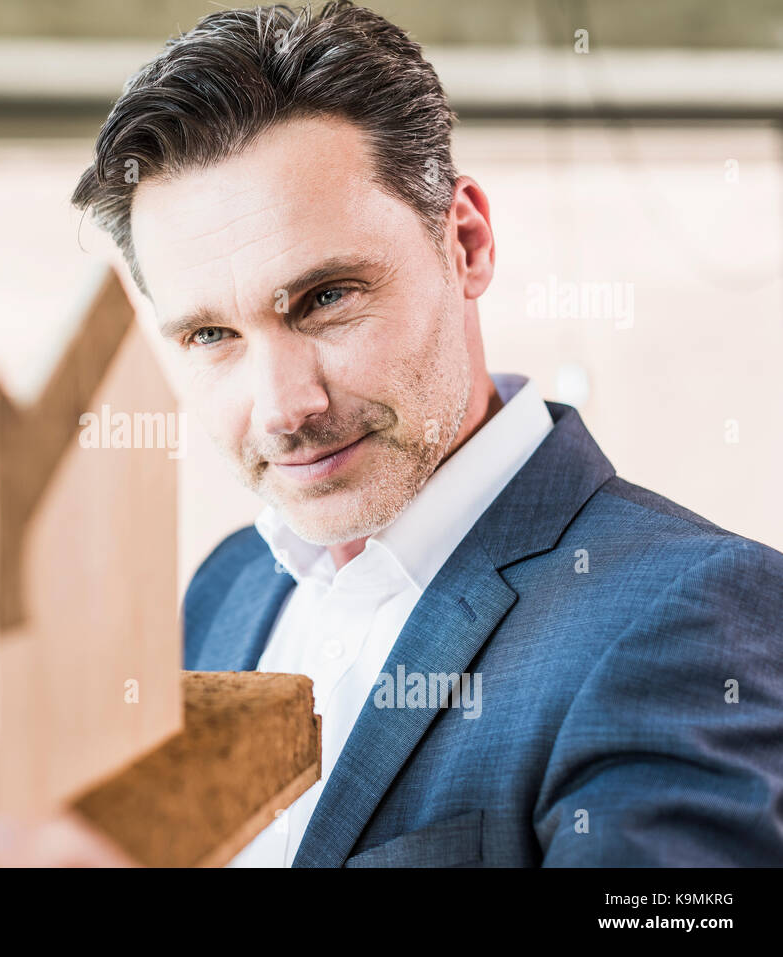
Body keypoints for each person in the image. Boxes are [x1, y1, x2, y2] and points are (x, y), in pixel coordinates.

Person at [62, 1, 783, 866]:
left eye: (325, 298)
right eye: (211, 335)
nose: (283, 407)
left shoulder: (694, 612)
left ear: (467, 243)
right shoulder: (227, 590)